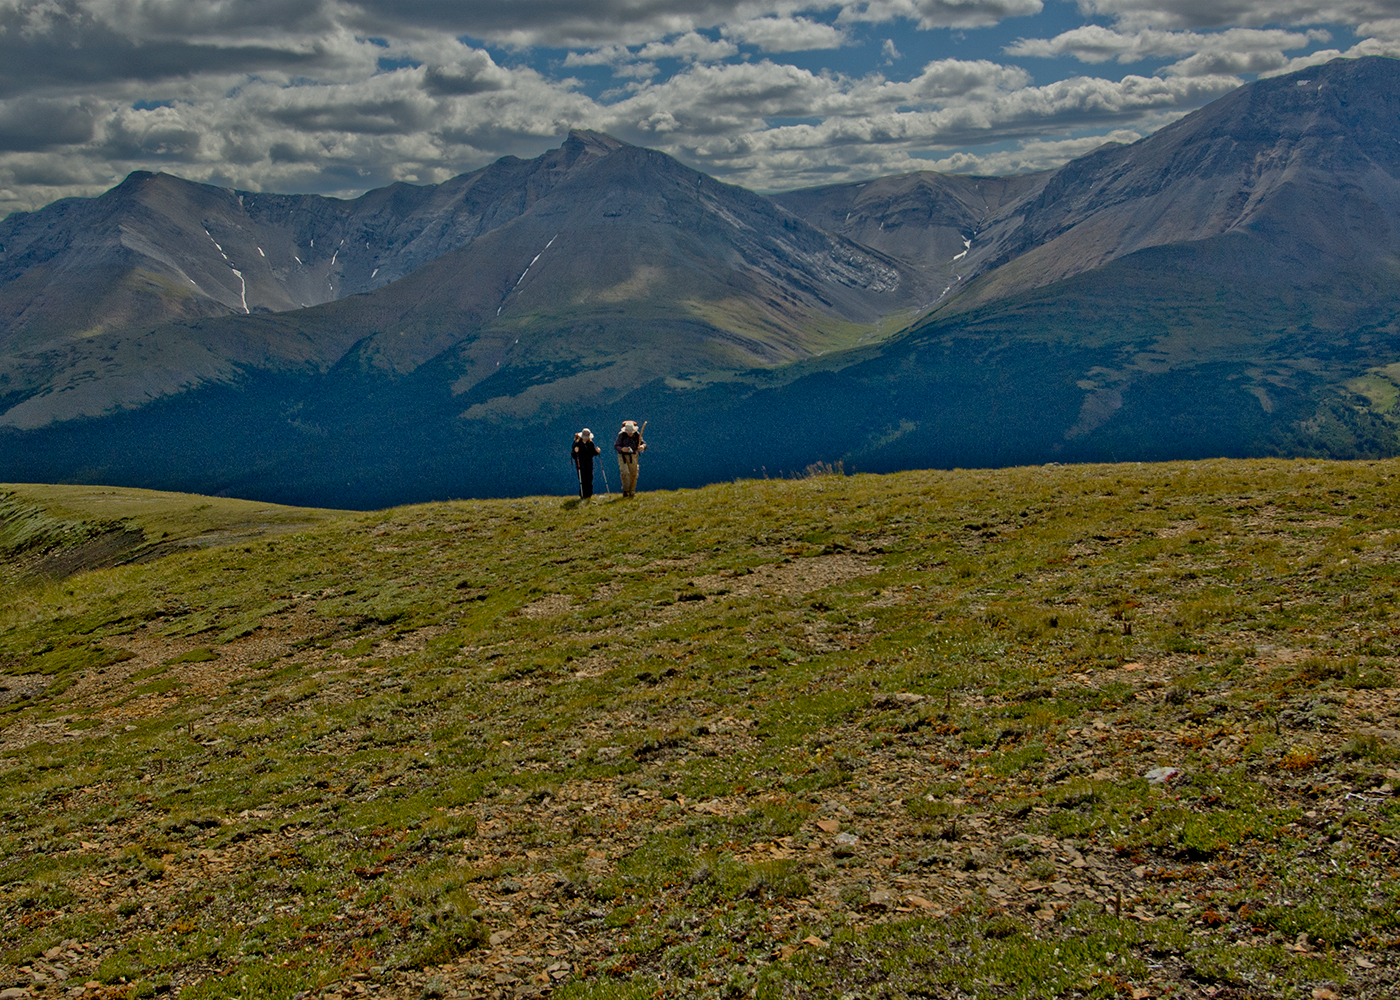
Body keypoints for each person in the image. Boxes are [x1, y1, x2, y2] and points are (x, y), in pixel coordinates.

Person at [614, 420, 645, 497]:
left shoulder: (637, 435)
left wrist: (642, 447)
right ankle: (625, 490)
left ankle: (631, 491)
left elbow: (643, 443)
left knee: (633, 474)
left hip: (633, 456)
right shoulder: (621, 435)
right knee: (625, 472)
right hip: (623, 457)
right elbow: (616, 446)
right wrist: (622, 449)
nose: (630, 433)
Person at [571, 428, 601, 499]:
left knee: (589, 478)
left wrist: (597, 451)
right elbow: (573, 455)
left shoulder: (590, 444)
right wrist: (575, 451)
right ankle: (583, 494)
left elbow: (592, 453)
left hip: (589, 463)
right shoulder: (577, 444)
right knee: (583, 478)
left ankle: (589, 494)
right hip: (581, 464)